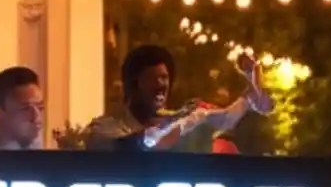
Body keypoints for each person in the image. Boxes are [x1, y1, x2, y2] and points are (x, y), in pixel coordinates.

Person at [83, 44, 271, 153]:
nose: (160, 85)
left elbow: (225, 118)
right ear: (133, 85)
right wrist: (166, 127)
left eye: (164, 78)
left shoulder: (185, 122)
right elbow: (120, 148)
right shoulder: (106, 127)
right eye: (151, 78)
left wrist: (250, 98)